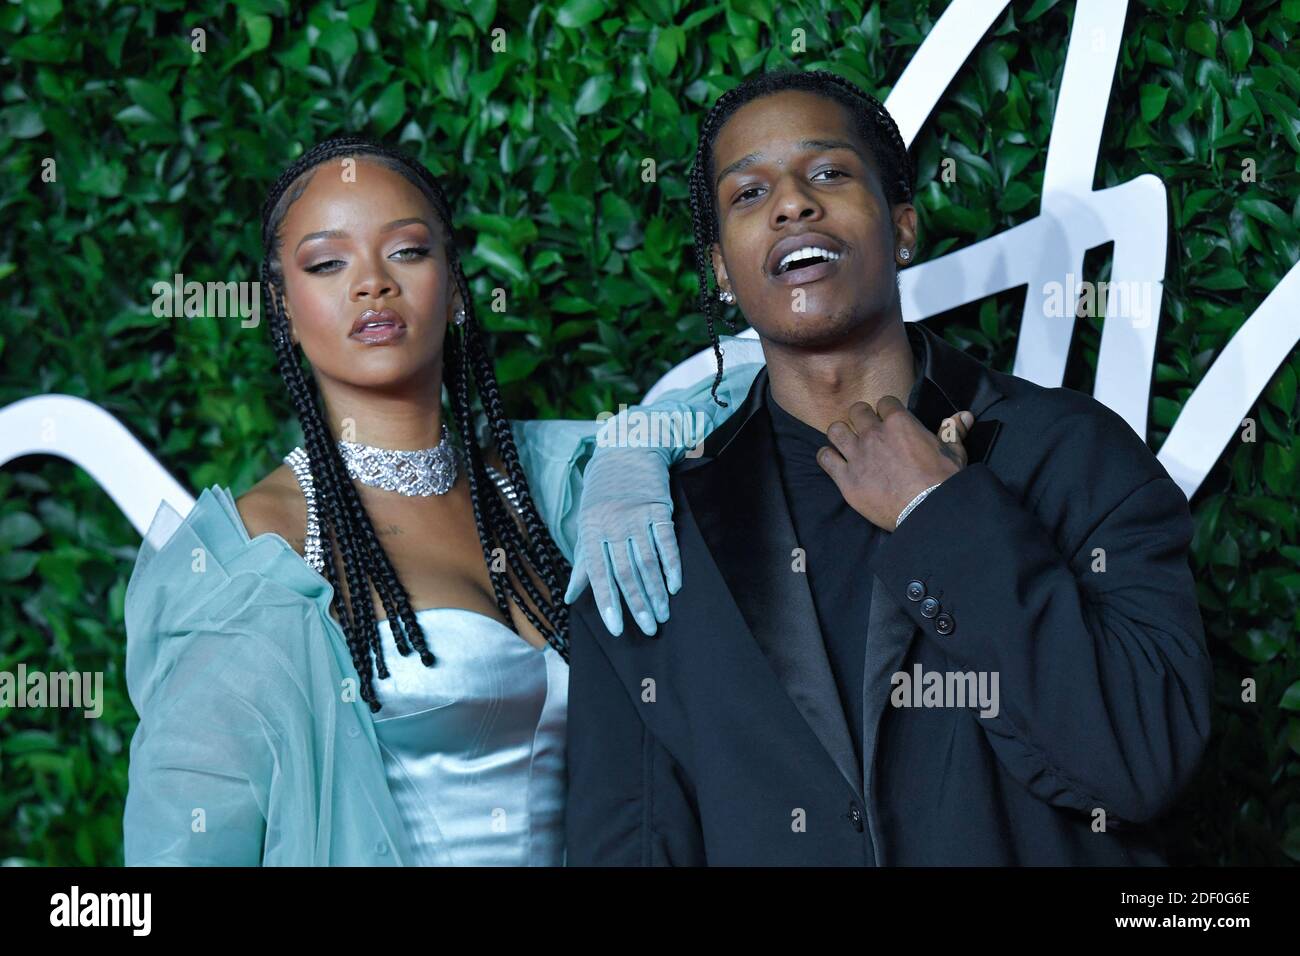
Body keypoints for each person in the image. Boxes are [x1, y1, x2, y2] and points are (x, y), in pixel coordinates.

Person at [563, 70, 1213, 866]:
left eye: (829, 173)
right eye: (748, 193)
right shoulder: (658, 533)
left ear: (902, 226)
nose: (792, 203)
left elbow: (1140, 761)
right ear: (722, 274)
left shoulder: (1073, 453)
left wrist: (938, 512)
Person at [122, 135, 762, 866]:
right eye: (328, 263)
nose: (371, 285)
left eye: (407, 251)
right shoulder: (258, 556)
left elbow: (762, 388)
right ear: (284, 310)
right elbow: (179, 854)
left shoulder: (543, 489)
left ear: (456, 286)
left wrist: (633, 444)